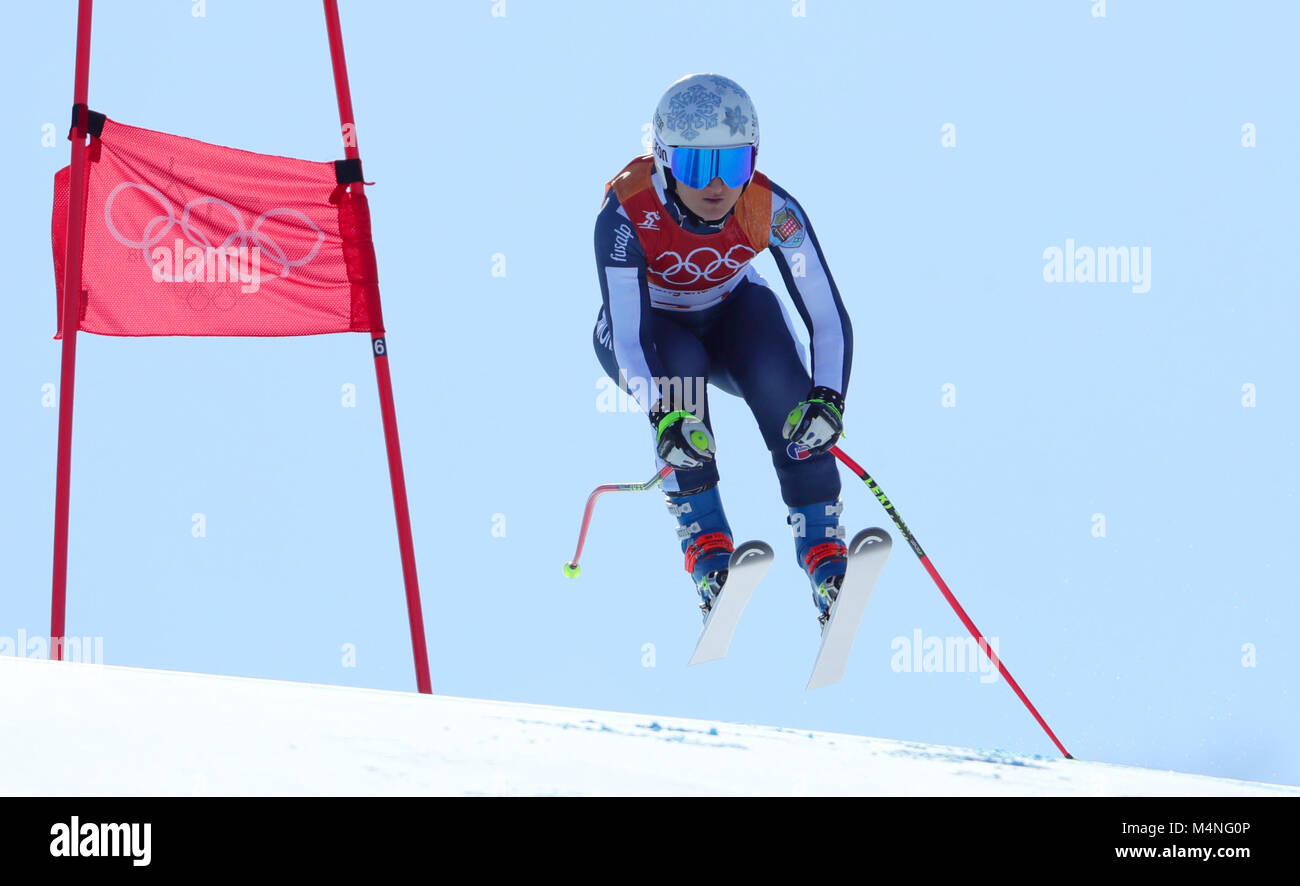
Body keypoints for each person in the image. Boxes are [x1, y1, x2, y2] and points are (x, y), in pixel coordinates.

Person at [591, 73, 853, 626]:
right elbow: (633, 340)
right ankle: (708, 551)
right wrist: (663, 414)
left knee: (784, 386)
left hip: (732, 315)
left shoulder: (767, 207)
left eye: (733, 165)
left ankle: (824, 554)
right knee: (680, 388)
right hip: (650, 332)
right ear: (663, 161)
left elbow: (826, 319)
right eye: (695, 167)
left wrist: (829, 399)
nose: (717, 187)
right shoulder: (628, 210)